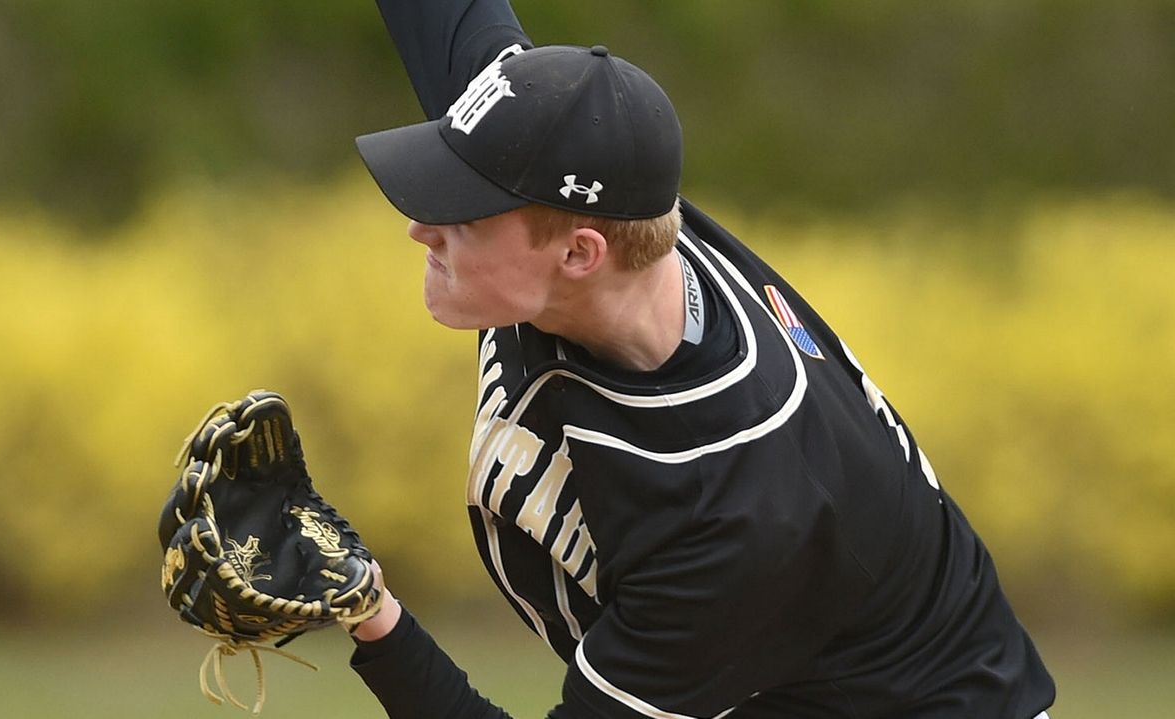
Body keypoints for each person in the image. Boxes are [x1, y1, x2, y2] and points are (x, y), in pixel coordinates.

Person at [346, 1, 1057, 717]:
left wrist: (373, 615)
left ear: (579, 254)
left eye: (463, 214)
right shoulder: (582, 185)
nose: (420, 227)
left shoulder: (731, 514)